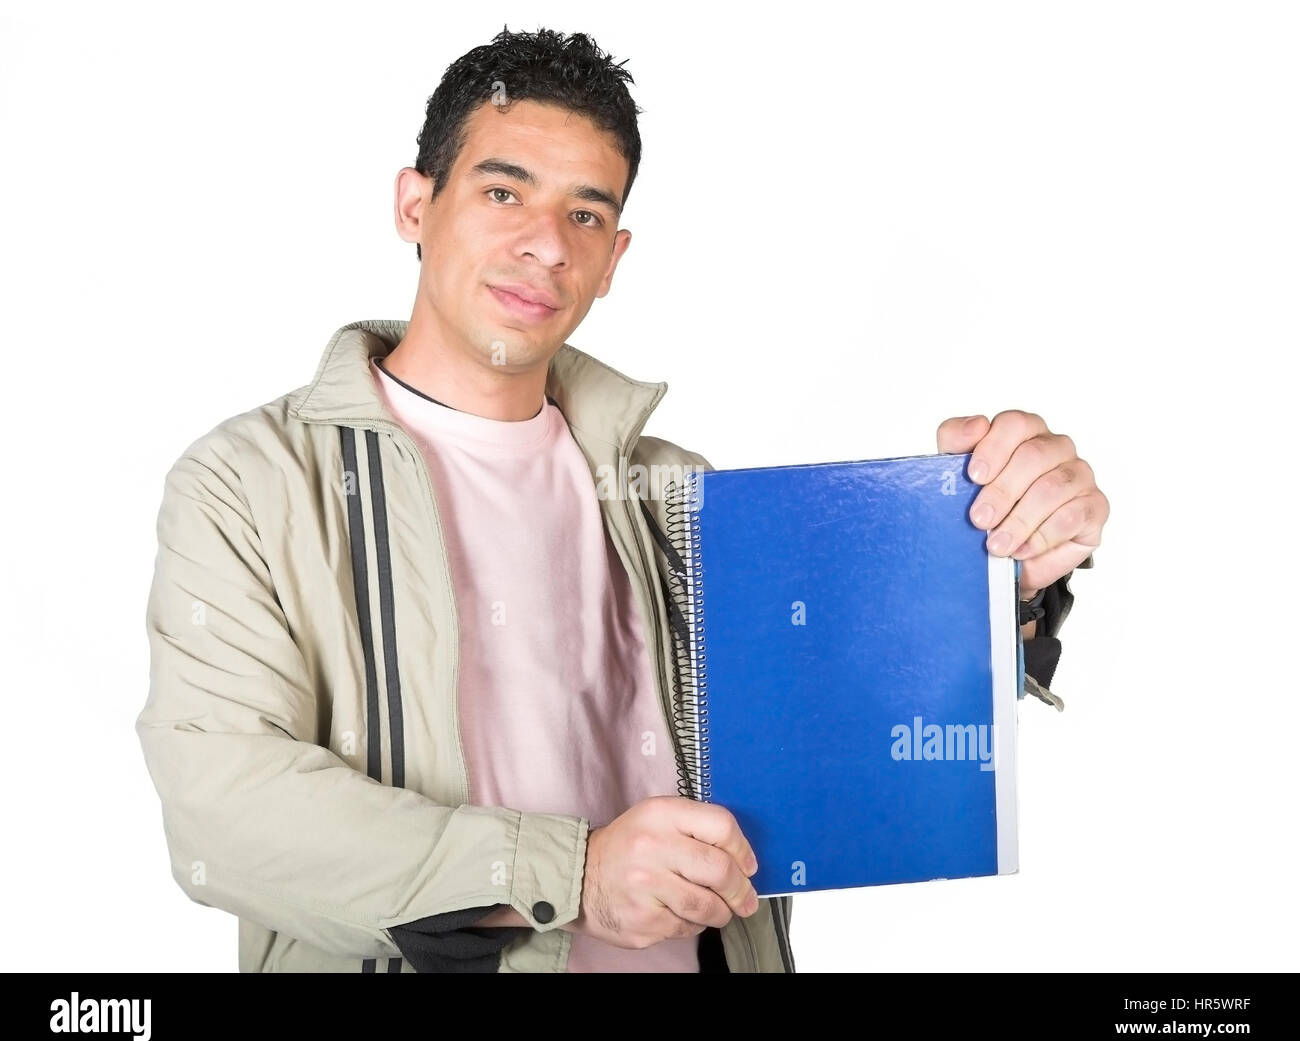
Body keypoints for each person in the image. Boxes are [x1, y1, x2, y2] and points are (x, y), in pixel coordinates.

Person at [135, 27, 1104, 974]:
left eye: (585, 215)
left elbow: (847, 724)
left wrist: (991, 566)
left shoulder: (681, 492)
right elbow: (225, 807)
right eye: (503, 190)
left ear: (614, 257)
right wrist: (576, 875)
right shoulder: (252, 479)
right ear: (415, 205)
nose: (545, 244)